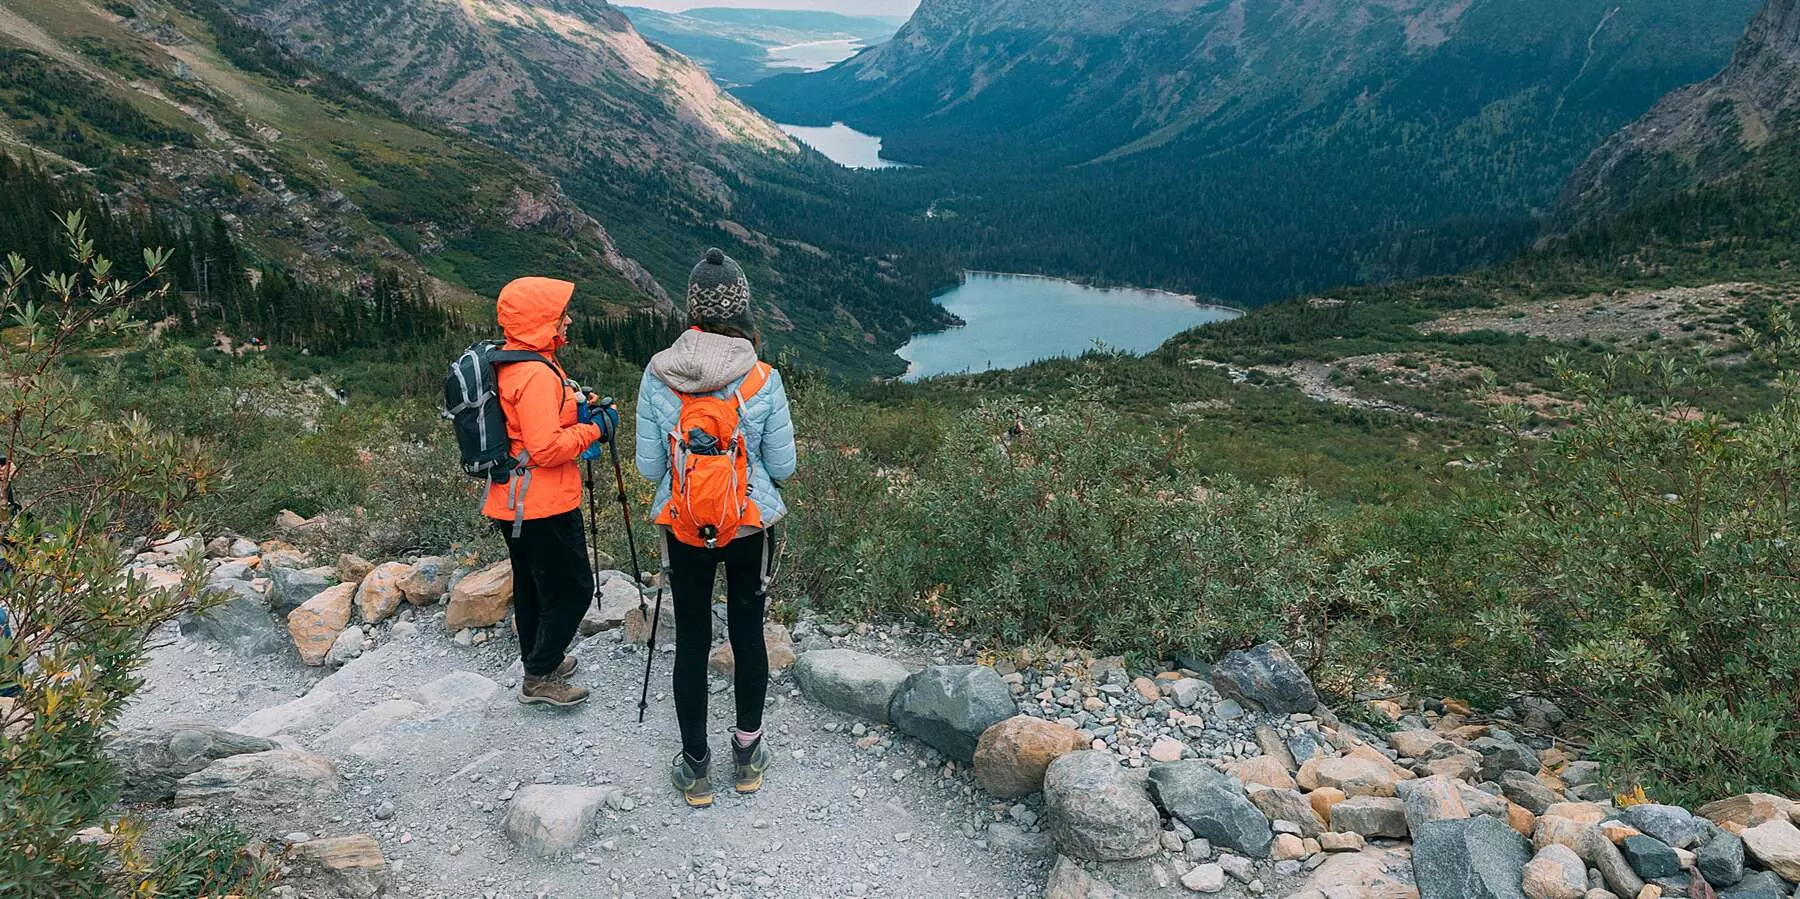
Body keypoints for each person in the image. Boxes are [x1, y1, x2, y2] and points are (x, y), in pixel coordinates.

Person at [637, 249, 796, 807]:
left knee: (692, 642)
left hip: (684, 528)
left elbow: (650, 468)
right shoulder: (762, 379)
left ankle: (696, 767)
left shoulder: (658, 375)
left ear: (693, 310)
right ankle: (747, 757)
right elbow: (783, 467)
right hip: (748, 526)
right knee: (747, 636)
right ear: (742, 307)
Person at [481, 277, 616, 708]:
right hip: (542, 502)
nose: (568, 320)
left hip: (514, 499)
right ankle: (539, 675)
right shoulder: (535, 373)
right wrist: (597, 427)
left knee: (533, 586)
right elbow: (546, 447)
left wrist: (578, 405)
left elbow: (534, 426)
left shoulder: (519, 362)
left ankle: (540, 661)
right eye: (561, 316)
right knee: (574, 588)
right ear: (542, 322)